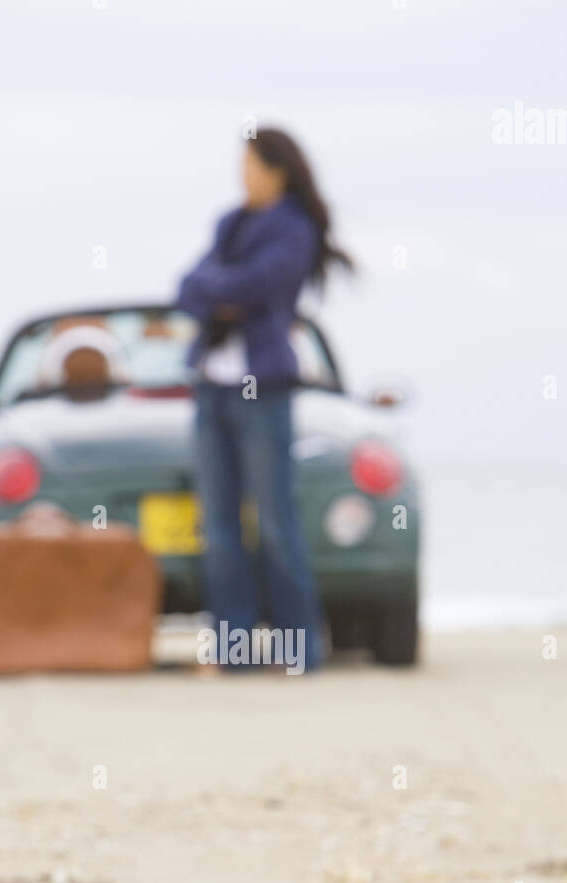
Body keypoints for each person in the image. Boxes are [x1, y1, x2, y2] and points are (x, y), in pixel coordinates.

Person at [176, 127, 352, 673]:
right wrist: (223, 294)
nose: (241, 176)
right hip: (212, 385)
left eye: (249, 165)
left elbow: (258, 288)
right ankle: (233, 654)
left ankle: (299, 652)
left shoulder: (294, 229)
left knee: (276, 520)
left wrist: (223, 292)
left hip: (263, 389)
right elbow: (188, 288)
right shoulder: (231, 224)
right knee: (220, 526)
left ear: (276, 171)